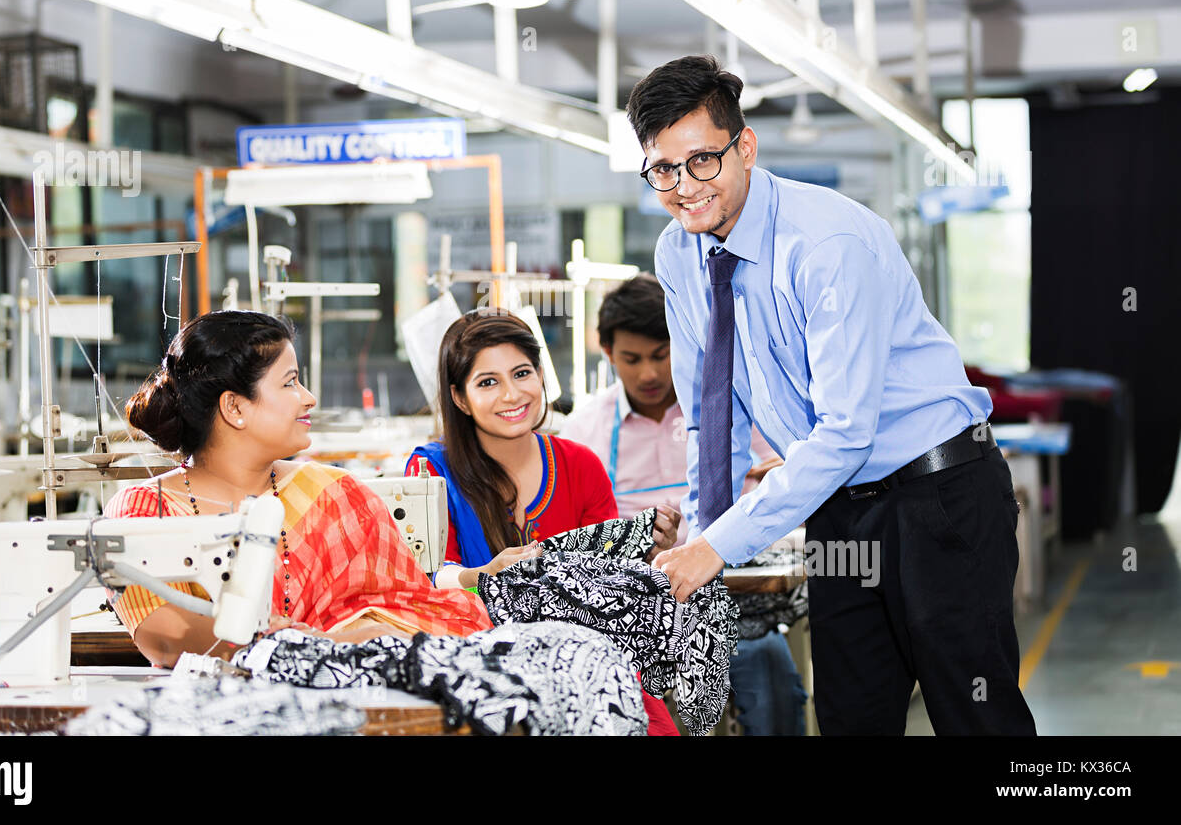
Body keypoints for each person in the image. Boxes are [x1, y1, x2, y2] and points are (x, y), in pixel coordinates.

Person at [634, 55, 1037, 736]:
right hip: (839, 513)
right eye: (663, 170)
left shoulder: (826, 243)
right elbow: (713, 412)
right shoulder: (678, 253)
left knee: (975, 715)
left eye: (701, 160)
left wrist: (721, 546)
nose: (684, 186)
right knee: (851, 717)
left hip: (939, 498)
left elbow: (846, 432)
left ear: (745, 147)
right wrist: (706, 536)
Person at [105, 310, 491, 668]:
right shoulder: (144, 511)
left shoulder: (337, 494)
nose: (309, 398)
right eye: (290, 382)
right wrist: (320, 644)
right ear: (234, 408)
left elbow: (421, 611)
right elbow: (166, 639)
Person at [405, 308, 681, 734]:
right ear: (460, 398)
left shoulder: (579, 465)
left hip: (589, 668)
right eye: (488, 382)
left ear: (540, 375)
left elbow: (608, 593)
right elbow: (424, 578)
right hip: (483, 674)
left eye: (521, 373)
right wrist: (482, 577)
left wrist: (650, 556)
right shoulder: (431, 472)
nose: (512, 394)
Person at [560, 274, 806, 735]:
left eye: (661, 355)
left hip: (730, 595)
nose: (649, 374)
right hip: (630, 608)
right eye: (631, 359)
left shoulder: (732, 412)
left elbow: (783, 485)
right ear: (607, 352)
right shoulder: (582, 433)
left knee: (767, 670)